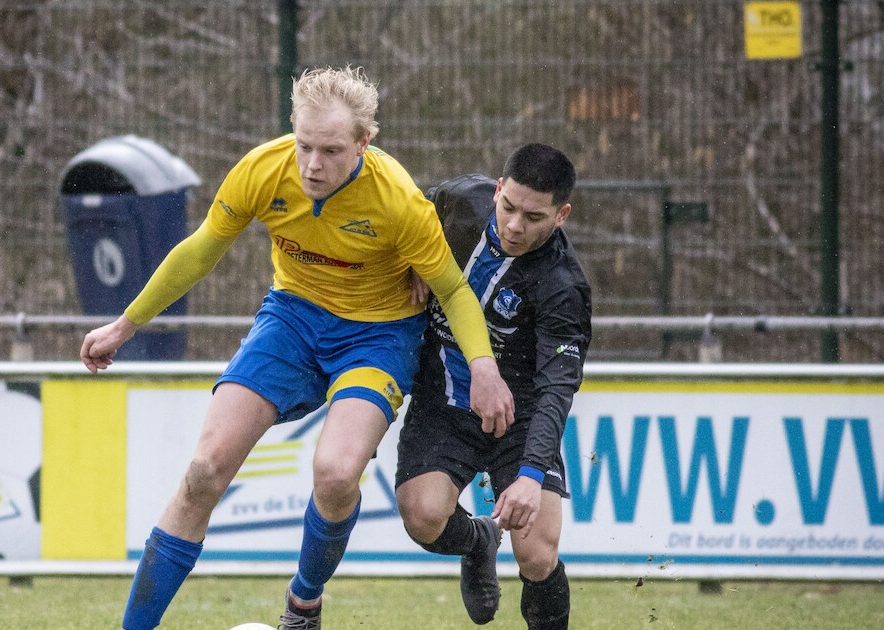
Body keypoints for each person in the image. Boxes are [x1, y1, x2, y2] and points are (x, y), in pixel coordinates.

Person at [79, 66, 514, 630]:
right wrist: (126, 325)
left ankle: (303, 603)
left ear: (364, 142)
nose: (312, 165)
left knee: (335, 474)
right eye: (304, 145)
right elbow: (202, 248)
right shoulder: (263, 170)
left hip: (377, 335)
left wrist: (484, 368)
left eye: (331, 151)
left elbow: (452, 290)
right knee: (204, 471)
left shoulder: (398, 200)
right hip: (291, 320)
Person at [394, 143, 591, 629]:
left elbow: (556, 390)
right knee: (422, 517)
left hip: (519, 419)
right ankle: (478, 540)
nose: (515, 226)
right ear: (497, 189)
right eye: (508, 207)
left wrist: (530, 475)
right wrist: (409, 258)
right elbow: (402, 212)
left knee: (537, 553)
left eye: (534, 217)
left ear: (562, 215)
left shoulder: (563, 285)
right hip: (443, 401)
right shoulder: (461, 200)